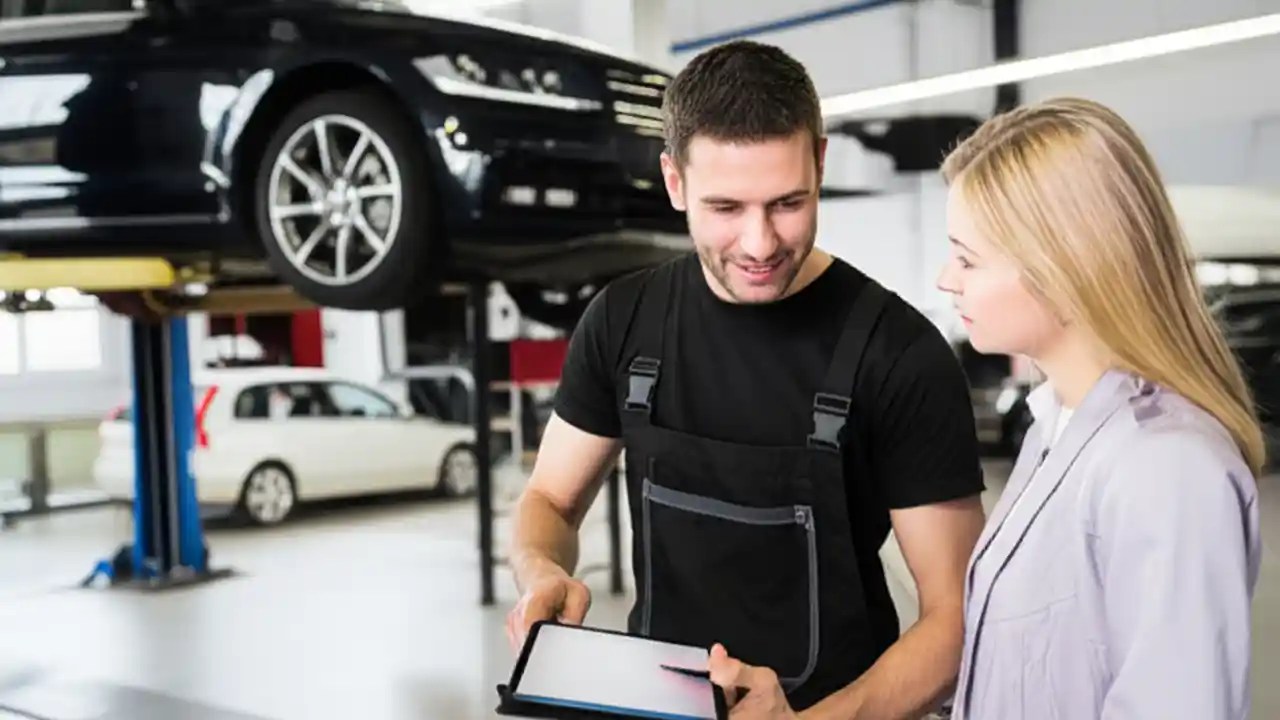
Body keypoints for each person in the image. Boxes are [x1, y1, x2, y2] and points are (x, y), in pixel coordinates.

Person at [506, 39, 988, 718]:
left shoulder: (900, 354)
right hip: (656, 708)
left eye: (787, 203)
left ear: (820, 162)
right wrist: (541, 570)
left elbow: (955, 620)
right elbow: (549, 502)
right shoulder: (624, 321)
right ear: (675, 182)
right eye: (727, 208)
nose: (760, 244)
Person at [936, 97, 1264, 719]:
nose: (945, 278)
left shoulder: (1165, 470)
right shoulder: (1057, 429)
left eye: (967, 257)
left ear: (1063, 268)